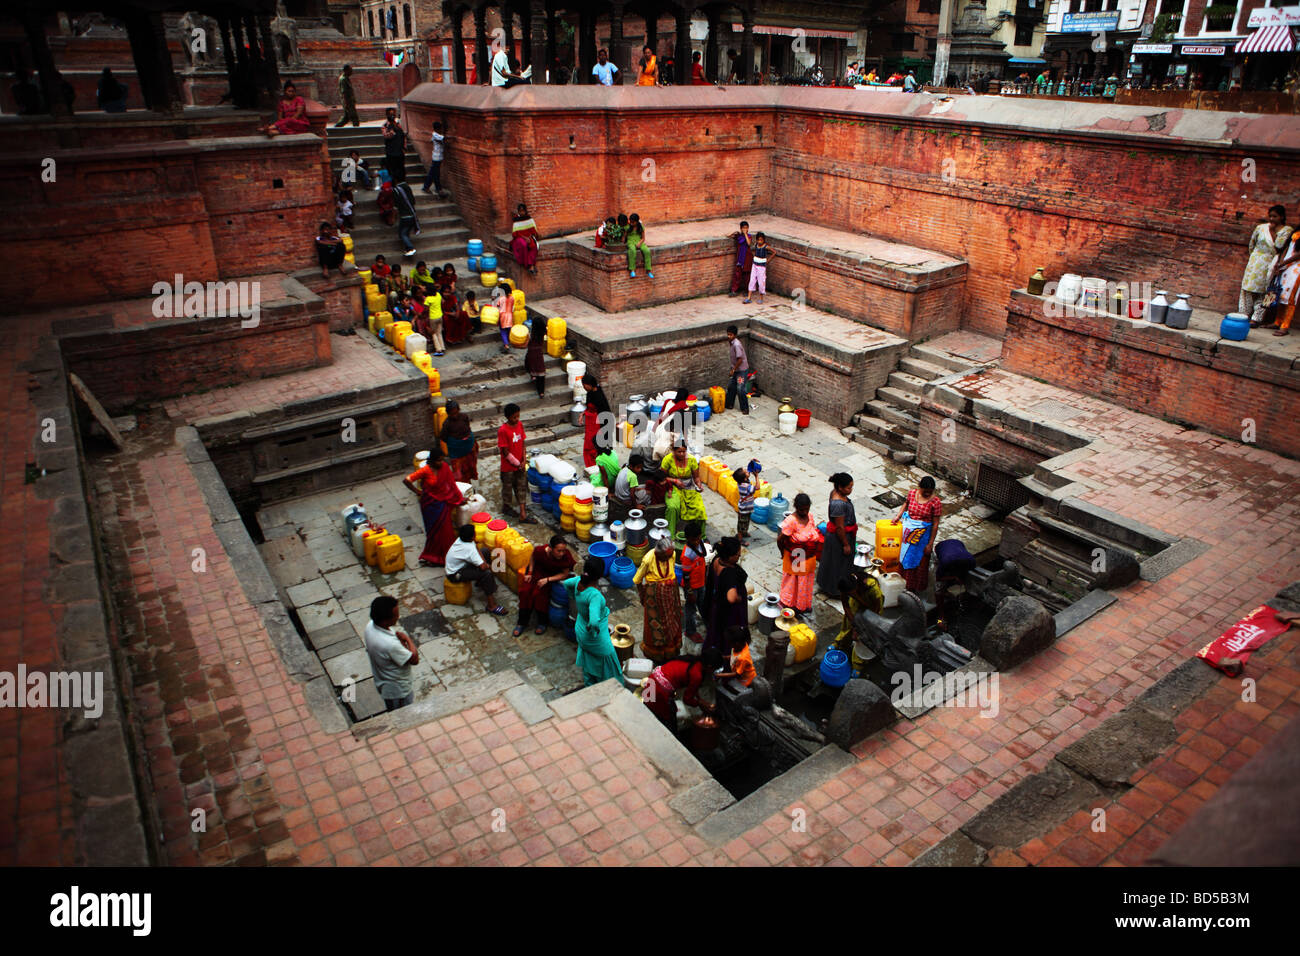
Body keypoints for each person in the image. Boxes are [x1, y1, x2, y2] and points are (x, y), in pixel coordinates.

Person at [564, 556, 622, 685]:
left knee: (589, 656)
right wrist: (594, 631)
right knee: (608, 657)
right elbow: (594, 621)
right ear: (600, 575)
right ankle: (612, 688)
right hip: (592, 635)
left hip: (580, 627)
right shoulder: (594, 595)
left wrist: (572, 596)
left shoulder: (578, 582)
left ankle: (590, 684)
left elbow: (566, 584)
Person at [404, 449, 464, 567]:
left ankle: (447, 556)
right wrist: (418, 492)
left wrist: (460, 498)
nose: (441, 462)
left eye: (442, 460)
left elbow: (452, 484)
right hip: (429, 505)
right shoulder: (425, 470)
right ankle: (432, 556)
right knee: (433, 532)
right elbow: (407, 480)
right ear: (432, 460)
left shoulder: (445, 467)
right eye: (438, 460)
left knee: (447, 532)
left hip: (442, 503)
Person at [365, 596, 420, 711]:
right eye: (396, 615)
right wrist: (407, 639)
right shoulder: (390, 644)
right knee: (403, 714)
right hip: (398, 690)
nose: (398, 617)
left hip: (383, 680)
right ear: (385, 620)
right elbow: (414, 659)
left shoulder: (370, 626)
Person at [1241, 205, 1292, 327]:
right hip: (1255, 261)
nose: (1272, 219)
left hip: (1272, 262)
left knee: (1267, 290)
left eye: (1275, 216)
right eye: (1270, 216)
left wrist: (1273, 231)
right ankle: (1244, 315)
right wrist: (1255, 257)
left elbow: (1279, 247)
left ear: (1282, 217)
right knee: (1248, 289)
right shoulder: (1260, 228)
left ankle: (1257, 318)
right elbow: (1251, 244)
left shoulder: (1286, 230)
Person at [634, 536, 683, 662]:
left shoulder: (671, 553)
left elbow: (670, 568)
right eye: (665, 557)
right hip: (654, 597)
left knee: (673, 619)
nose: (668, 558)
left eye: (669, 556)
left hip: (670, 592)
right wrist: (642, 596)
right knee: (655, 626)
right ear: (658, 553)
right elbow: (638, 580)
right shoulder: (648, 559)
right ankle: (656, 653)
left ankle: (671, 650)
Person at [515, 535, 575, 636]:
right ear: (550, 548)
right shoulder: (540, 551)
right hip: (537, 572)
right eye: (559, 551)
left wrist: (547, 580)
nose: (561, 554)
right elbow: (533, 558)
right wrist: (529, 572)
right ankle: (522, 623)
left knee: (539, 595)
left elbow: (565, 574)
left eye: (563, 551)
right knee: (525, 592)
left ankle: (542, 622)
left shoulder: (566, 556)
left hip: (551, 576)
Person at [445, 525, 507, 615]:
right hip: (455, 574)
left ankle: (482, 583)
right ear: (473, 536)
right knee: (487, 574)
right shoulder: (469, 549)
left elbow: (476, 547)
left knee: (485, 551)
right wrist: (486, 565)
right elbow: (483, 567)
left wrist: (484, 562)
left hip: (461, 566)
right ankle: (491, 605)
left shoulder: (462, 539)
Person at [642, 654, 713, 731]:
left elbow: (693, 688)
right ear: (709, 667)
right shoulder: (697, 675)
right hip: (660, 692)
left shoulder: (693, 661)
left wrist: (700, 700)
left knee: (647, 712)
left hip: (651, 681)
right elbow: (687, 699)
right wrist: (699, 703)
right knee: (668, 723)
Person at [895, 475, 941, 593]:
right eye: (924, 492)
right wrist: (898, 516)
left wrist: (930, 544)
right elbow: (906, 504)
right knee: (903, 556)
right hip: (907, 532)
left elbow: (935, 525)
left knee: (917, 560)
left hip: (922, 536)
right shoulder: (912, 494)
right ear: (919, 487)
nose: (927, 494)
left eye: (929, 492)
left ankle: (913, 587)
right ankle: (900, 582)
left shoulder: (935, 502)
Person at [778, 493, 822, 613]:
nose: (804, 512)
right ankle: (790, 603)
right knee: (795, 581)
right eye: (802, 509)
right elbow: (780, 539)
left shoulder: (810, 516)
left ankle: (802, 604)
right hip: (797, 556)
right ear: (796, 507)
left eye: (807, 509)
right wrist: (783, 553)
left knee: (806, 581)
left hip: (809, 557)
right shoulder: (791, 521)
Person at [833, 568, 884, 669]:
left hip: (872, 609)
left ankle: (857, 664)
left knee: (863, 636)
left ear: (856, 587)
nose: (849, 594)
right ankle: (839, 643)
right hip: (857, 602)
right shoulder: (847, 585)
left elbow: (875, 612)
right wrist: (853, 622)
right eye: (848, 594)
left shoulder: (873, 589)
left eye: (851, 593)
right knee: (847, 624)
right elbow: (846, 605)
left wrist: (859, 629)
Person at [816, 473, 857, 595]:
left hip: (841, 534)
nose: (851, 490)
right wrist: (846, 544)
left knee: (831, 561)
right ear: (840, 487)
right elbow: (839, 527)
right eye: (848, 487)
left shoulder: (836, 493)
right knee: (838, 564)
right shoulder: (838, 504)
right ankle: (835, 590)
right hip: (839, 538)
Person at [662, 440, 706, 539]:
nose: (682, 454)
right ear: (673, 451)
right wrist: (675, 480)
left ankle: (700, 536)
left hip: (689, 486)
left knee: (700, 509)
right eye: (679, 452)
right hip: (672, 487)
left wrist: (699, 485)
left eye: (684, 451)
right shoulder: (667, 459)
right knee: (673, 507)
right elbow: (661, 477)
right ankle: (671, 536)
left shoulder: (692, 460)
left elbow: (696, 478)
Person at [498, 403, 532, 521]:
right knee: (507, 488)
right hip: (508, 467)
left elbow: (523, 444)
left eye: (518, 416)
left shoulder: (520, 425)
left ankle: (523, 511)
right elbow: (505, 452)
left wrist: (523, 460)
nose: (517, 419)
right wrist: (517, 463)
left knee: (521, 486)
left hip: (520, 465)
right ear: (508, 417)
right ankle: (506, 507)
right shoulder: (503, 430)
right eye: (514, 417)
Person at [1266, 229, 1300, 336]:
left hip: (1297, 268)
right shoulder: (1297, 231)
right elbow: (1287, 247)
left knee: (1290, 298)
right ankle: (1277, 322)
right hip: (1286, 266)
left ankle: (1285, 326)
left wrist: (1283, 263)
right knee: (1281, 295)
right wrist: (1280, 263)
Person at [680, 521, 708, 643]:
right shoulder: (687, 555)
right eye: (694, 540)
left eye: (698, 538)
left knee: (703, 604)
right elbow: (686, 576)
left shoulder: (700, 544)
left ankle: (708, 623)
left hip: (701, 583)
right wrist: (690, 592)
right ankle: (690, 631)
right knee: (690, 609)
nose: (697, 541)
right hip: (692, 586)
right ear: (687, 539)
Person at [580, 372, 612, 468]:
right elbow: (588, 407)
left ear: (590, 385)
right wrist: (583, 414)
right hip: (590, 422)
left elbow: (604, 413)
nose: (584, 387)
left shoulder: (599, 396)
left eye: (585, 385)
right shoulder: (590, 393)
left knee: (594, 444)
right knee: (588, 444)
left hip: (598, 424)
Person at [441, 400, 478, 482]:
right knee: (459, 473)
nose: (454, 416)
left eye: (456, 413)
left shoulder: (464, 417)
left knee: (469, 467)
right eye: (452, 414)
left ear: (458, 410)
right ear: (448, 413)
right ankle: (464, 488)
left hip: (468, 448)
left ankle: (469, 484)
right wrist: (456, 443)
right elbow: (443, 437)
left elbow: (468, 428)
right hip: (457, 452)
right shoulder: (447, 424)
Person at [612, 453, 649, 521]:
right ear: (631, 466)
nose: (640, 470)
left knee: (644, 486)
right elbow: (632, 495)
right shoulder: (633, 476)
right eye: (638, 467)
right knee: (648, 493)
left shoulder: (624, 468)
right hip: (625, 499)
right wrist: (636, 506)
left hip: (618, 495)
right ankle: (645, 505)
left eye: (641, 467)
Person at [724, 324, 750, 415]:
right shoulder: (731, 343)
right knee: (731, 386)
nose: (729, 336)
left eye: (730, 335)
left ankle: (745, 408)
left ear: (735, 335)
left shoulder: (736, 345)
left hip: (741, 370)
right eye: (728, 334)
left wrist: (733, 370)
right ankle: (729, 404)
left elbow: (740, 359)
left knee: (740, 388)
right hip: (735, 369)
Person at [511, 204, 540, 274]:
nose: (522, 213)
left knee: (534, 246)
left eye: (523, 211)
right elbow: (515, 234)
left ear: (525, 211)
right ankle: (527, 264)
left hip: (529, 237)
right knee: (523, 245)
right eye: (520, 211)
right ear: (518, 212)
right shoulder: (516, 221)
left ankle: (530, 264)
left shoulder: (529, 219)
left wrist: (529, 238)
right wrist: (524, 238)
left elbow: (534, 232)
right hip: (519, 238)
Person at [393, 178, 419, 257]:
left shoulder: (396, 190)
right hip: (412, 215)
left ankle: (411, 248)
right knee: (406, 232)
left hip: (405, 216)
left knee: (402, 234)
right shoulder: (407, 187)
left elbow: (396, 204)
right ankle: (408, 248)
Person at [422, 121, 448, 196]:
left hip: (438, 157)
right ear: (437, 129)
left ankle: (437, 188)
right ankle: (427, 187)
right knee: (433, 173)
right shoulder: (435, 134)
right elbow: (444, 139)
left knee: (435, 173)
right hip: (436, 157)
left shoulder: (437, 135)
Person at [382, 107, 407, 184]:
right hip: (391, 152)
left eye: (393, 114)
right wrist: (392, 133)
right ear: (387, 115)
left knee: (401, 169)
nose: (392, 116)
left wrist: (404, 147)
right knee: (393, 170)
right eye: (390, 114)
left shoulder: (398, 124)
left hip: (400, 151)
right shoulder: (385, 125)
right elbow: (386, 136)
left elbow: (403, 136)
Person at [524, 312, 547, 396]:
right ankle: (541, 392)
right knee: (540, 371)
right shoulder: (543, 333)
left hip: (531, 352)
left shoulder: (530, 334)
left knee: (529, 364)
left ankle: (532, 375)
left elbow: (525, 345)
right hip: (539, 353)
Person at [745, 232, 770, 304]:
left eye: (761, 240)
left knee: (761, 281)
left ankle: (761, 298)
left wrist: (768, 260)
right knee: (752, 280)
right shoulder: (756, 245)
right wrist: (754, 256)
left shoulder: (766, 247)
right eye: (758, 240)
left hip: (761, 267)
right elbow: (752, 249)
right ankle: (749, 297)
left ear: (764, 240)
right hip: (755, 265)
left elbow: (774, 252)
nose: (760, 242)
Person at [626, 213, 654, 279]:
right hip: (631, 241)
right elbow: (625, 237)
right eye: (631, 221)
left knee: (647, 251)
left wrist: (639, 243)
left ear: (637, 221)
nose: (632, 223)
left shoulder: (641, 227)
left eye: (633, 222)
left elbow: (643, 238)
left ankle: (648, 270)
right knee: (632, 251)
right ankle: (632, 270)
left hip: (639, 240)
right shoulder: (628, 227)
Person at [733, 467, 755, 545]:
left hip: (746, 508)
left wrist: (752, 463)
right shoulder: (746, 486)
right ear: (745, 478)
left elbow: (748, 470)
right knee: (741, 524)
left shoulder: (741, 482)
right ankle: (740, 538)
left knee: (746, 522)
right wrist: (757, 476)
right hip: (744, 509)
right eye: (746, 472)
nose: (747, 471)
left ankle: (744, 532)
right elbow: (757, 487)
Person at [730, 221, 752, 296]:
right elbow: (729, 236)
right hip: (740, 259)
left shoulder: (749, 236)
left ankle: (746, 291)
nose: (745, 229)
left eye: (746, 228)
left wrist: (745, 234)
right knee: (737, 275)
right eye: (743, 228)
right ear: (741, 228)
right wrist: (735, 232)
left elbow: (749, 243)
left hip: (747, 259)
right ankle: (734, 290)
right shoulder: (739, 236)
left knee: (746, 276)